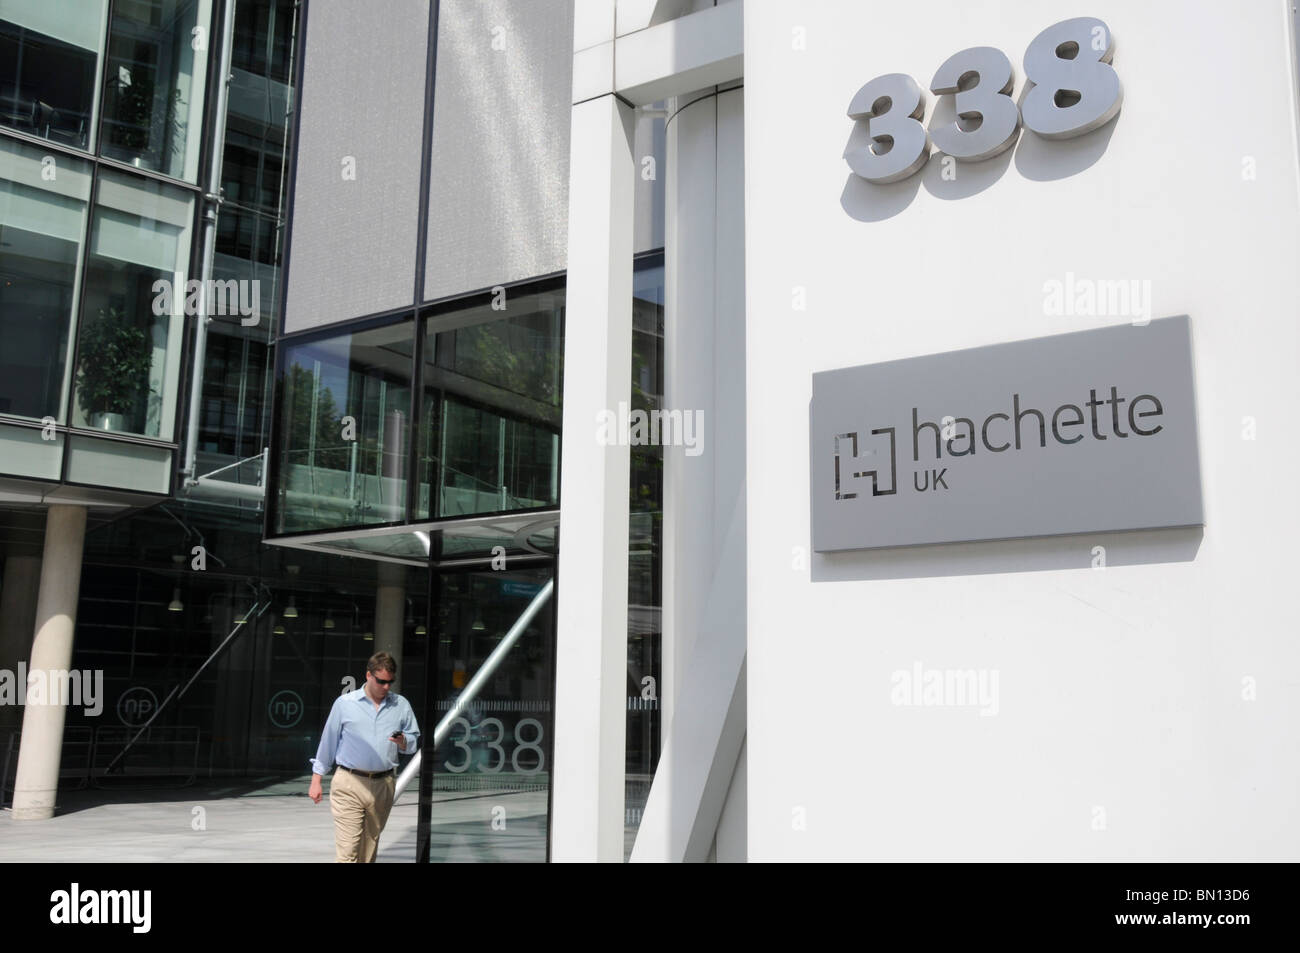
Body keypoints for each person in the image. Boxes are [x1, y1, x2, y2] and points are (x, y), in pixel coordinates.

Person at [308, 652, 420, 863]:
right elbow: (328, 742)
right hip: (349, 783)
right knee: (348, 852)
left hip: (383, 784)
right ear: (368, 675)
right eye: (381, 681)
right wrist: (316, 780)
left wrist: (403, 740)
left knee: (368, 853)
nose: (386, 687)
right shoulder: (345, 703)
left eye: (390, 682)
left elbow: (414, 740)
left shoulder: (401, 705)